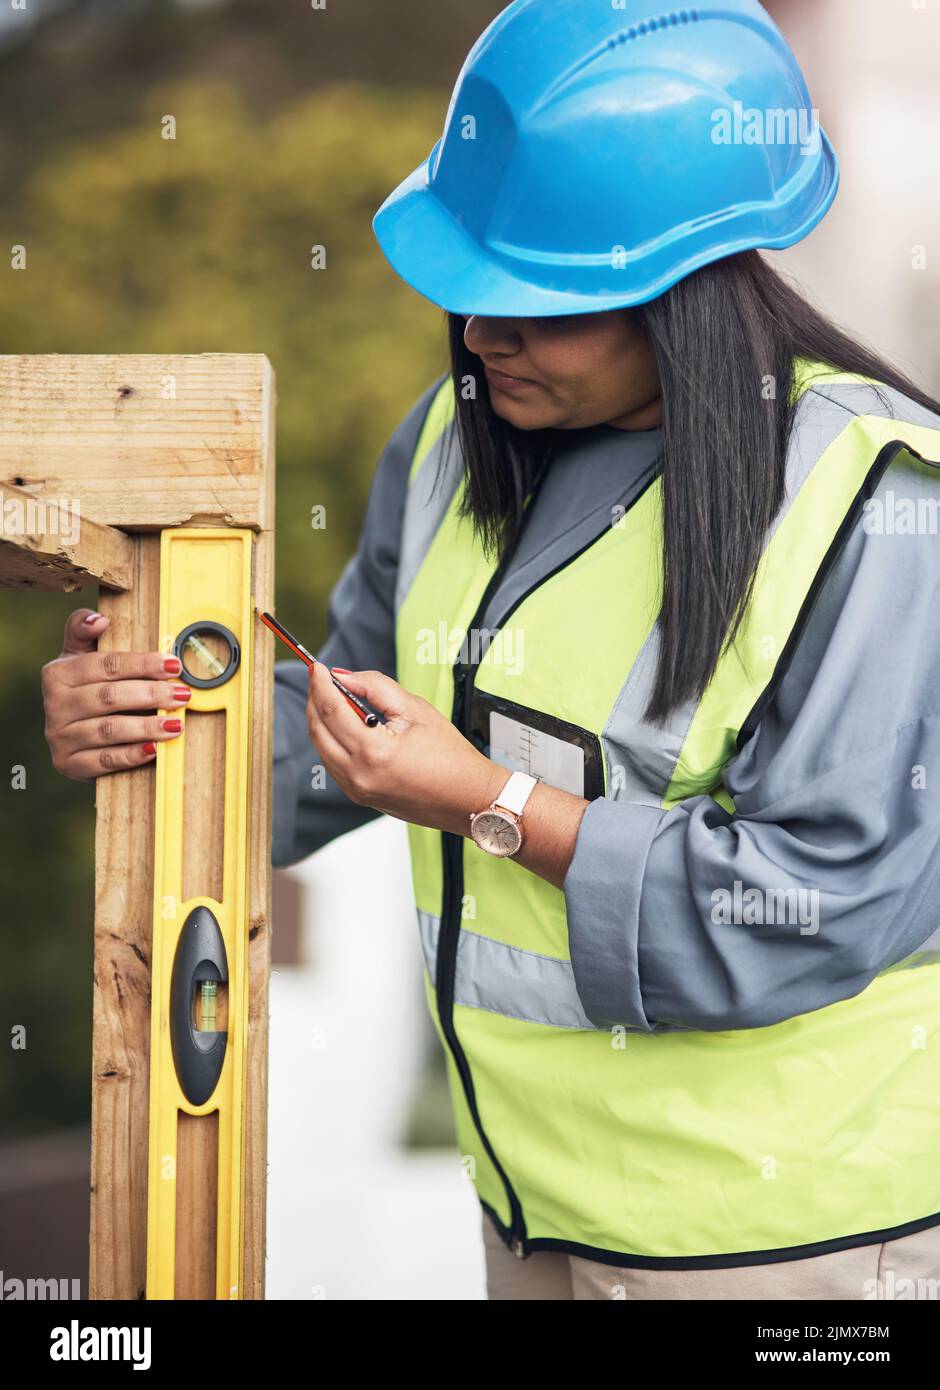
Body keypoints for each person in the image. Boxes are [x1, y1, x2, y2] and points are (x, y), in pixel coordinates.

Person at [42, 0, 940, 1300]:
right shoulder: (451, 448)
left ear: (686, 289)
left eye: (535, 302)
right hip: (526, 1217)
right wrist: (155, 713)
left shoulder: (879, 504)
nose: (477, 336)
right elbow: (339, 729)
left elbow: (816, 903)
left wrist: (492, 804)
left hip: (792, 1243)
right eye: (469, 291)